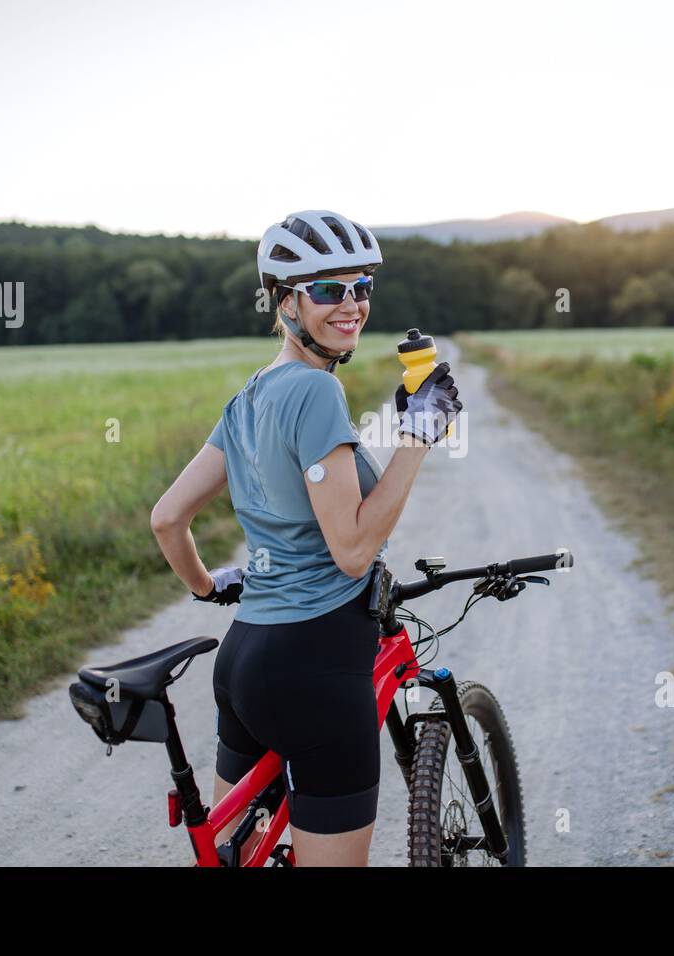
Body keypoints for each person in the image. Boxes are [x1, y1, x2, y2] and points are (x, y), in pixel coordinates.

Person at [149, 209, 463, 866]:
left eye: (361, 287)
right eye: (328, 290)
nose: (350, 305)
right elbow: (352, 552)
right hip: (317, 667)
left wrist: (210, 587)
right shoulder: (315, 394)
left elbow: (167, 518)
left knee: (241, 856)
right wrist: (418, 436)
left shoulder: (249, 397)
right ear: (286, 300)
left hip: (245, 667)